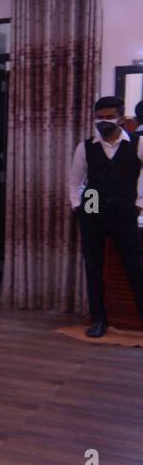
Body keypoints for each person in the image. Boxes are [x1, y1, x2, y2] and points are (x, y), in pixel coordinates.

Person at [69, 95, 143, 338]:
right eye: (99, 117)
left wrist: (139, 205)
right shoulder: (86, 147)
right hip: (92, 210)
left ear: (121, 118)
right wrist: (79, 206)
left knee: (136, 268)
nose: (103, 121)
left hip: (125, 211)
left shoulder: (137, 144)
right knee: (94, 268)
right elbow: (75, 181)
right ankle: (99, 320)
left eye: (109, 117)